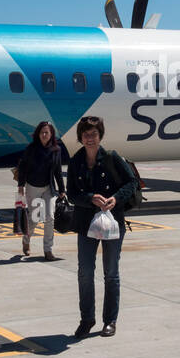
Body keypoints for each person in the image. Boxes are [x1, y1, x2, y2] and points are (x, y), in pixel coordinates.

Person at [66, 115, 137, 338]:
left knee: (111, 273)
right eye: (86, 135)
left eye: (94, 134)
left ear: (100, 136)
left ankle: (110, 321)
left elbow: (132, 182)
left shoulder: (112, 158)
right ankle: (87, 319)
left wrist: (115, 198)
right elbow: (72, 194)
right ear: (80, 137)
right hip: (86, 223)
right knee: (85, 272)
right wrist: (90, 198)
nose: (90, 138)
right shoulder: (76, 161)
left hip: (113, 222)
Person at [15, 120, 66, 260]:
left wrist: (62, 189)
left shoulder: (56, 150)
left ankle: (48, 250)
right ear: (38, 134)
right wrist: (21, 185)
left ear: (51, 134)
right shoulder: (31, 149)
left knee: (50, 217)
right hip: (33, 187)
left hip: (48, 188)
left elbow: (57, 171)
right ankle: (26, 240)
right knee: (34, 219)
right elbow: (23, 167)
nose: (44, 135)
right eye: (42, 132)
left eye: (47, 132)